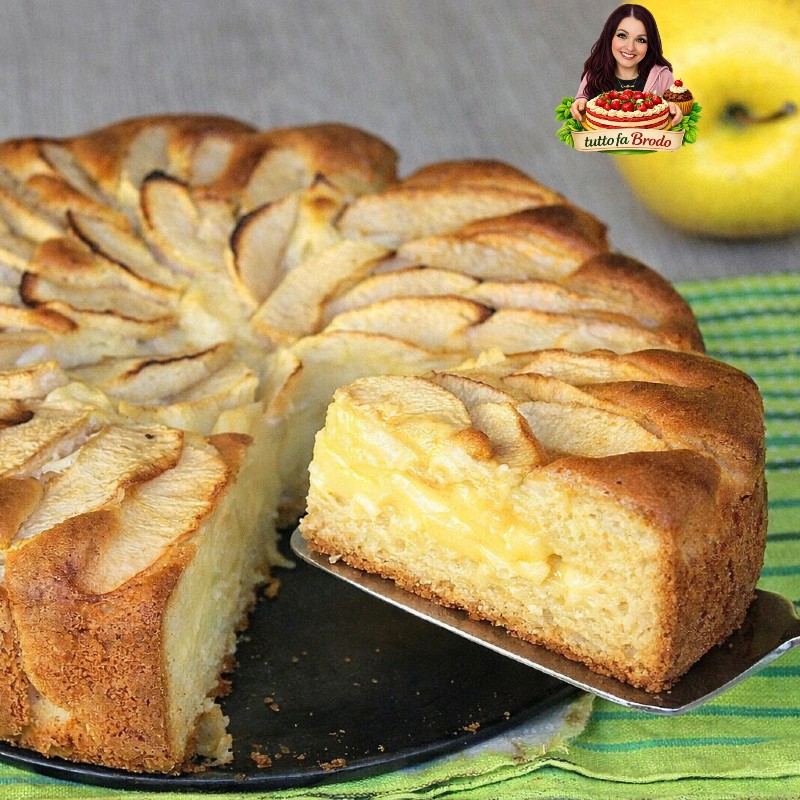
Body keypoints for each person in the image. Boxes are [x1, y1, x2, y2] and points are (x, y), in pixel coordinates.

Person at [570, 5, 682, 126]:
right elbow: (582, 103)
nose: (630, 47)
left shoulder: (663, 77)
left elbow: (675, 115)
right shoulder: (594, 74)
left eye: (641, 40)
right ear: (609, 37)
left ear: (650, 45)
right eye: (622, 36)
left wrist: (674, 110)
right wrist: (579, 104)